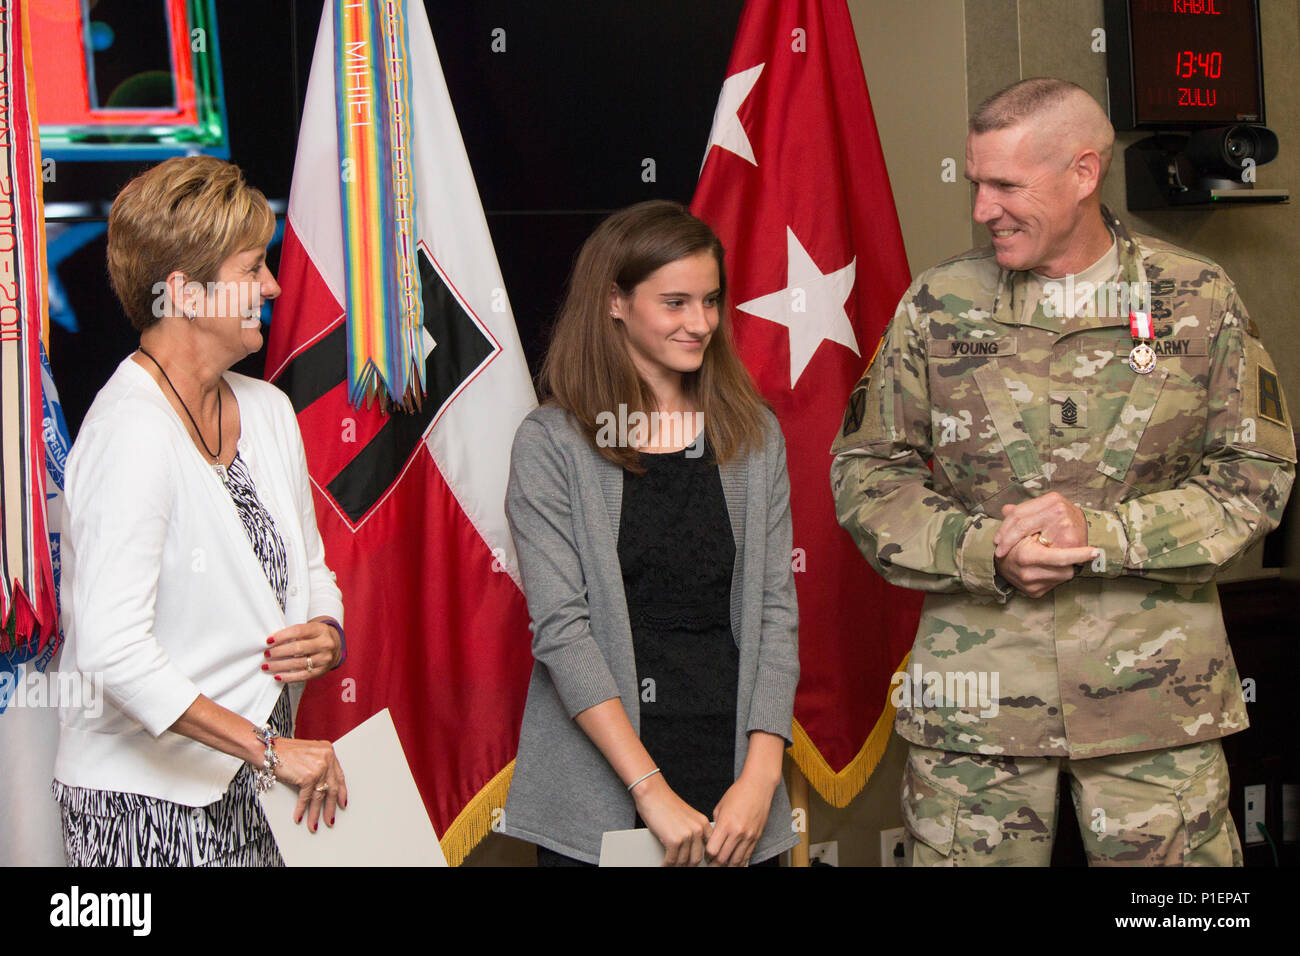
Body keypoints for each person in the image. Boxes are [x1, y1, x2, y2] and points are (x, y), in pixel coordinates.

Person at [831, 78, 1295, 866]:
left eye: (1006, 185)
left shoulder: (1196, 300)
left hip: (1155, 712)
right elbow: (867, 471)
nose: (982, 208)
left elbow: (1256, 473)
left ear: (1083, 173)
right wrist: (985, 550)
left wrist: (1106, 535)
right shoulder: (938, 304)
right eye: (976, 181)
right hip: (977, 717)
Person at [52, 156, 349, 866]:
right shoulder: (129, 430)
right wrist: (269, 750)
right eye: (252, 269)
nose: (272, 286)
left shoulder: (269, 409)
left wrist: (327, 630)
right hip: (146, 805)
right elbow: (112, 648)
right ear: (184, 293)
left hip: (256, 791)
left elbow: (312, 569)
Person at [502, 201, 800, 866]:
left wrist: (761, 776)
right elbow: (562, 628)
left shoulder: (753, 435)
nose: (700, 324)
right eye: (675, 303)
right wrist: (650, 790)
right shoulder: (552, 443)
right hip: (607, 789)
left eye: (711, 301)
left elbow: (776, 613)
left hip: (736, 794)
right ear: (615, 301)